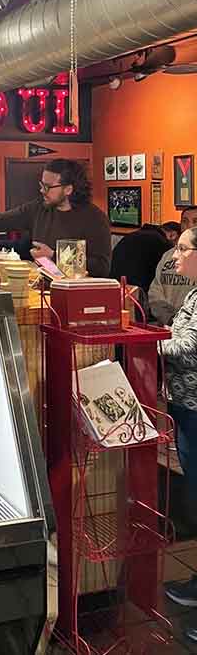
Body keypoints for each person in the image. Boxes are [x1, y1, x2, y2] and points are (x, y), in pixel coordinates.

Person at [0, 159, 111, 278]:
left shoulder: (95, 219)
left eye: (47, 187)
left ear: (68, 189)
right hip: (41, 290)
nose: (41, 191)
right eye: (41, 185)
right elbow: (2, 219)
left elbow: (101, 267)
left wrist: (54, 255)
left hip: (76, 296)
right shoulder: (39, 208)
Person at [162, 226, 197, 629]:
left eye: (183, 249)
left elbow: (188, 346)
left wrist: (143, 338)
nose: (176, 256)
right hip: (186, 404)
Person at [150, 208, 197, 325]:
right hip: (167, 326)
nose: (189, 225)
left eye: (195, 221)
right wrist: (168, 317)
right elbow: (155, 291)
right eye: (185, 221)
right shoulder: (168, 255)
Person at [110, 223, 172, 294]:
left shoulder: (132, 235)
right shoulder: (161, 241)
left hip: (115, 286)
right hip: (136, 291)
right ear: (172, 235)